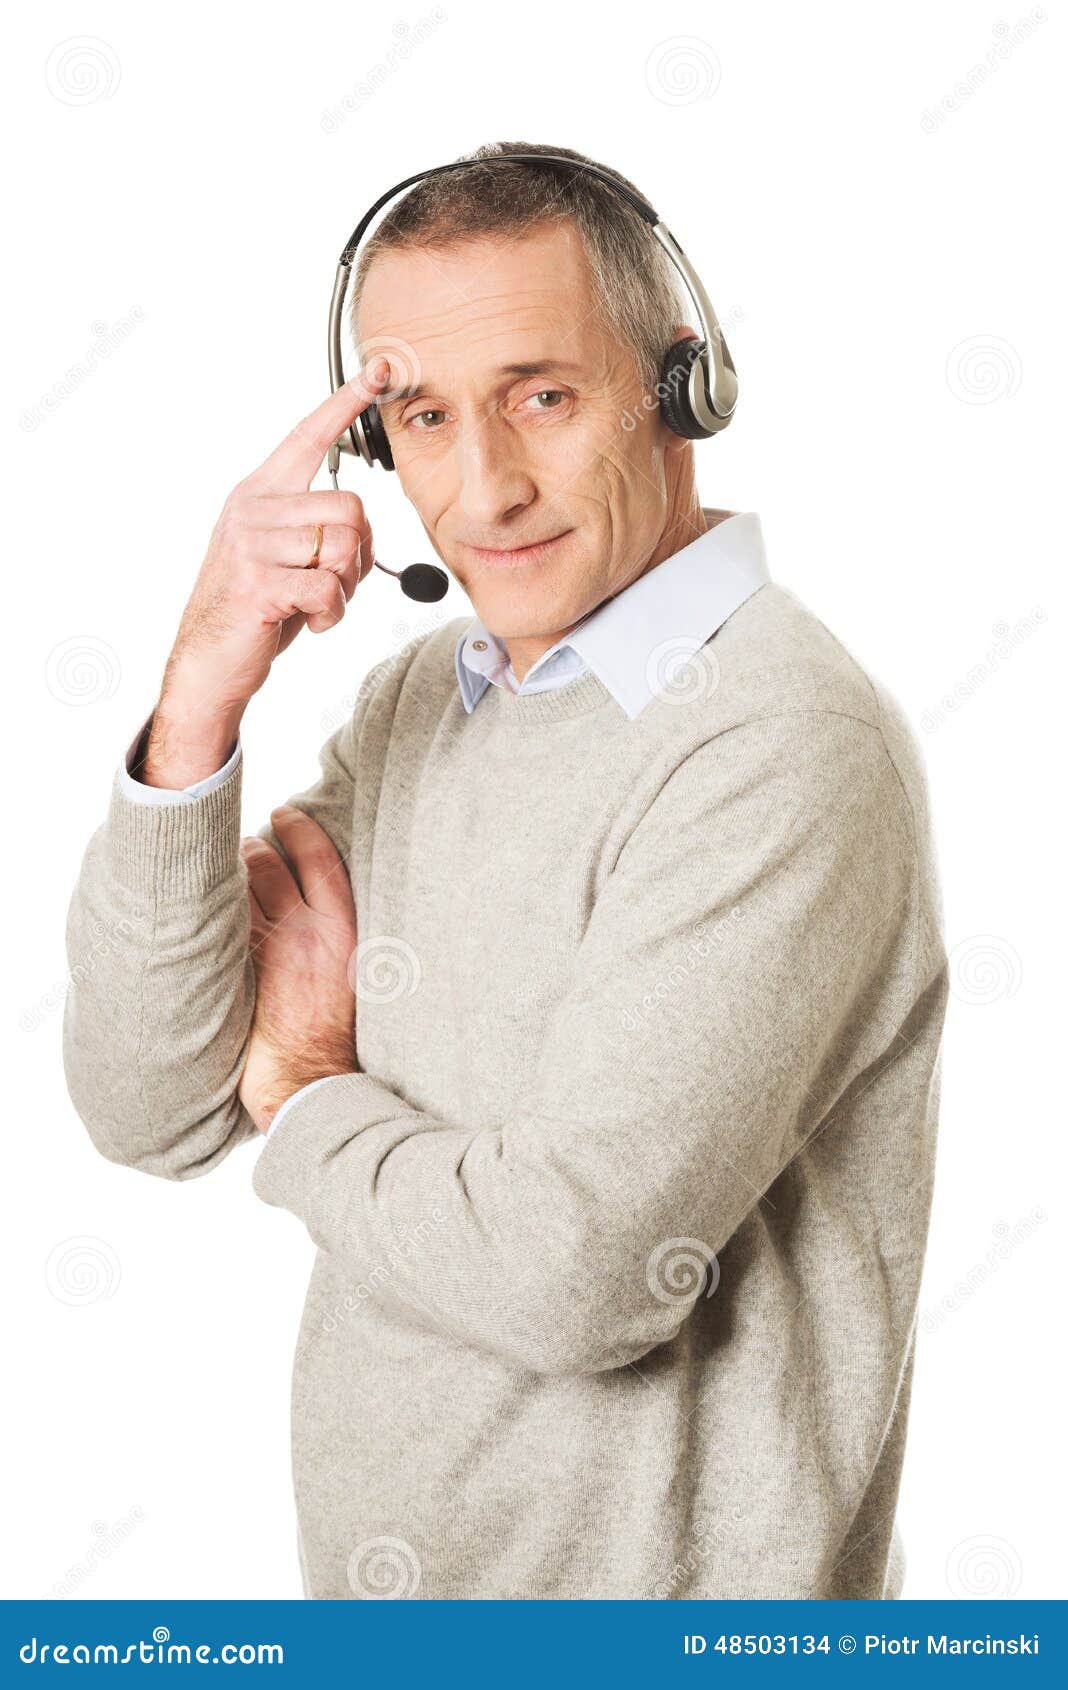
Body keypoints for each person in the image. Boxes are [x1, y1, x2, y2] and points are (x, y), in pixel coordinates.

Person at [62, 141, 948, 1600]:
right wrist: (202, 694)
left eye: (541, 393)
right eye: (422, 415)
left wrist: (300, 1091)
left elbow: (577, 1270)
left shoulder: (775, 738)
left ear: (680, 386)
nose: (486, 488)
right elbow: (143, 1103)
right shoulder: (430, 701)